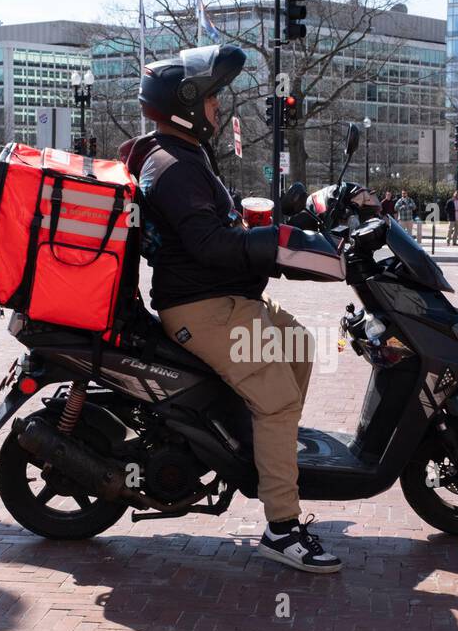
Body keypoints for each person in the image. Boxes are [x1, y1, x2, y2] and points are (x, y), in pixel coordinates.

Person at [128, 44, 341, 574]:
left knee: (299, 344)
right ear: (187, 105)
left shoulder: (179, 155)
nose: (219, 108)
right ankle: (282, 527)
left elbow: (211, 231)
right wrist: (274, 241)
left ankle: (267, 454)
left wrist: (275, 229)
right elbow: (207, 245)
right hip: (203, 308)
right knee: (275, 401)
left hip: (224, 298)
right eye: (213, 99)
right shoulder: (173, 165)